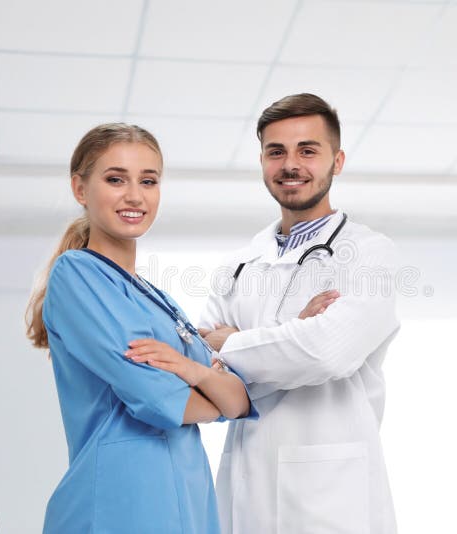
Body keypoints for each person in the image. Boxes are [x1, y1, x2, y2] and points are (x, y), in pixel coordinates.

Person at [129, 93, 400, 533]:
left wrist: (229, 345)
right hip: (245, 487)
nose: (291, 164)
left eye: (308, 150)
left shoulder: (369, 256)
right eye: (277, 152)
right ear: (262, 161)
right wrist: (290, 333)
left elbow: (324, 354)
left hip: (331, 498)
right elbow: (202, 367)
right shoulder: (237, 266)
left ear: (338, 160)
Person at [25, 123, 256, 534]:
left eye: (148, 181)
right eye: (116, 179)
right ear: (80, 189)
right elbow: (156, 398)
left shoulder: (160, 301)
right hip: (121, 502)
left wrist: (193, 373)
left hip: (187, 499)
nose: (135, 195)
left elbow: (238, 401)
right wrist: (209, 392)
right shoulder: (77, 274)